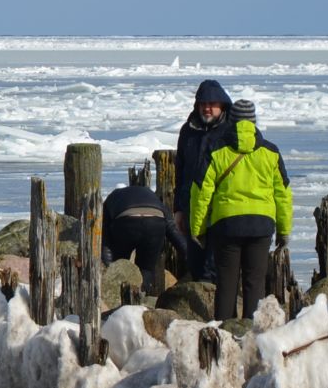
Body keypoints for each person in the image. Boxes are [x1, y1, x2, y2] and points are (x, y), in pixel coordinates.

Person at [189, 98, 292, 322]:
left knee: (226, 283)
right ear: (253, 122)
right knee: (255, 283)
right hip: (261, 224)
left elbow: (201, 192)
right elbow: (282, 193)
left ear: (231, 121)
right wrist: (284, 230)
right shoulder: (270, 152)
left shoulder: (216, 150)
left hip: (226, 225)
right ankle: (253, 336)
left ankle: (225, 334)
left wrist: (198, 228)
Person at [174, 79, 232, 277]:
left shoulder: (231, 131)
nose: (207, 108)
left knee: (215, 267)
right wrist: (179, 209)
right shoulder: (188, 131)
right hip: (192, 208)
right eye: (203, 104)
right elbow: (180, 171)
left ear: (222, 105)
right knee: (196, 264)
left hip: (219, 209)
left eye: (212, 104)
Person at [102, 182, 183, 288]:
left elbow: (105, 239)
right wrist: (190, 256)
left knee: (120, 264)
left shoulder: (112, 198)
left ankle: (120, 295)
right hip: (155, 221)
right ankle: (142, 296)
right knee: (146, 269)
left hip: (125, 222)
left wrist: (109, 266)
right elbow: (172, 229)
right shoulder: (151, 194)